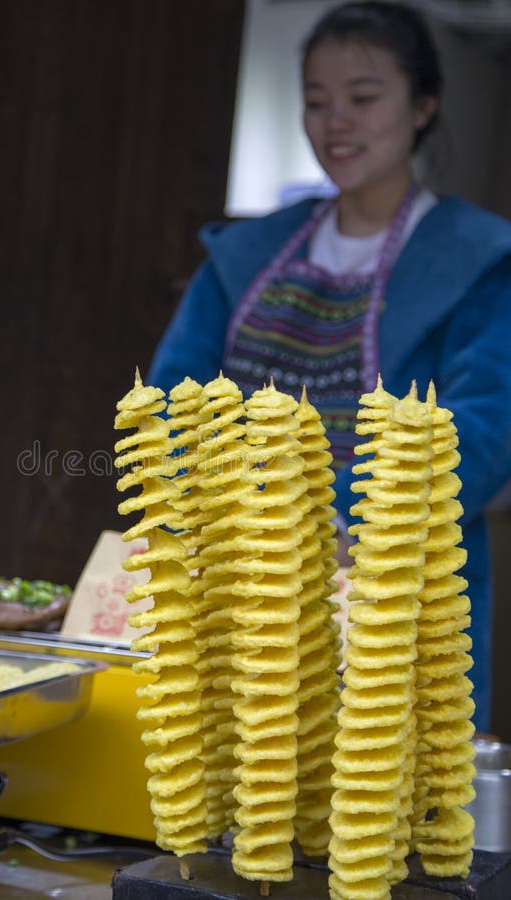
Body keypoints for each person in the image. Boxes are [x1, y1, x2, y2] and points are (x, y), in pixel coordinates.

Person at [146, 0, 511, 733]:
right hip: (235, 593)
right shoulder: (248, 254)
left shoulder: (475, 256)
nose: (335, 121)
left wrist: (339, 523)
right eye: (317, 102)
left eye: (363, 98)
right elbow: (171, 400)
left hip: (395, 604)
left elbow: (481, 426)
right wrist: (203, 520)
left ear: (423, 105)